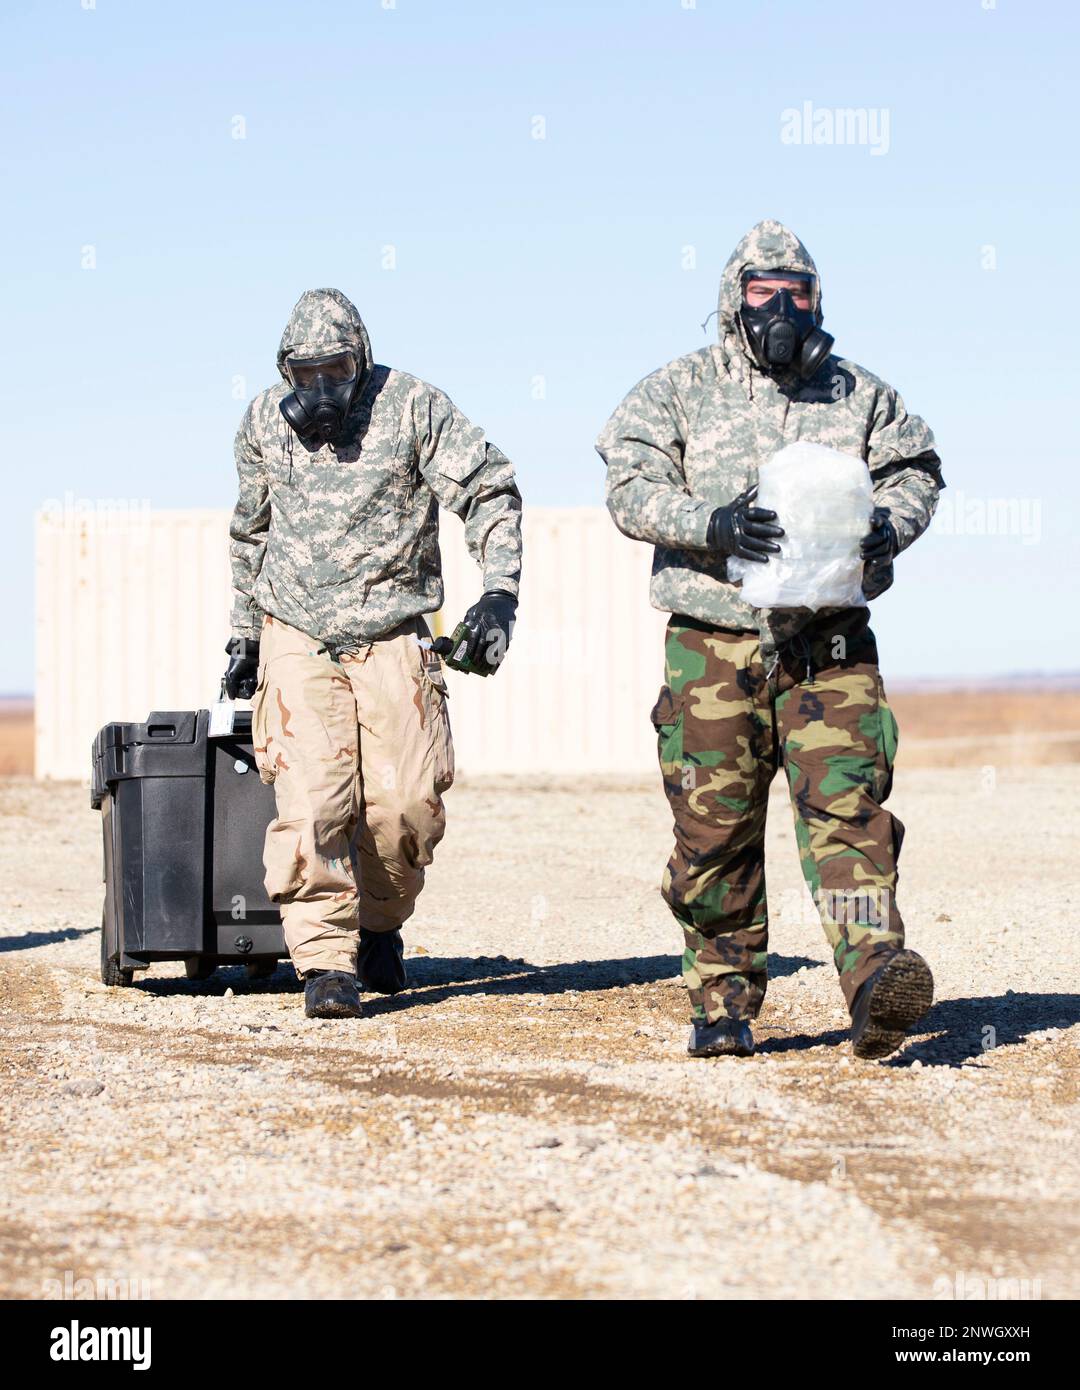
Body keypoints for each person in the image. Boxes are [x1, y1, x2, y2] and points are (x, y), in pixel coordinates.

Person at [598, 220, 942, 1061]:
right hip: (713, 648)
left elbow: (917, 471)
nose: (781, 308)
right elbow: (628, 484)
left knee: (848, 817)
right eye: (763, 293)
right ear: (733, 301)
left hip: (828, 645)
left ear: (818, 300)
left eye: (798, 293)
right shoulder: (673, 391)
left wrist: (889, 530)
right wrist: (707, 523)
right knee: (713, 834)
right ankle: (722, 998)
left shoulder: (859, 394)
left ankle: (874, 982)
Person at [224, 288, 522, 1019]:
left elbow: (489, 488)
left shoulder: (413, 406)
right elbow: (250, 533)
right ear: (284, 372)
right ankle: (326, 962)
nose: (323, 389)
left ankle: (379, 924)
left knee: (406, 808)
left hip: (393, 634)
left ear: (363, 358)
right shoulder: (264, 420)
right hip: (297, 634)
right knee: (314, 801)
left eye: (339, 370)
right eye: (307, 373)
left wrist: (500, 592)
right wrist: (244, 632)